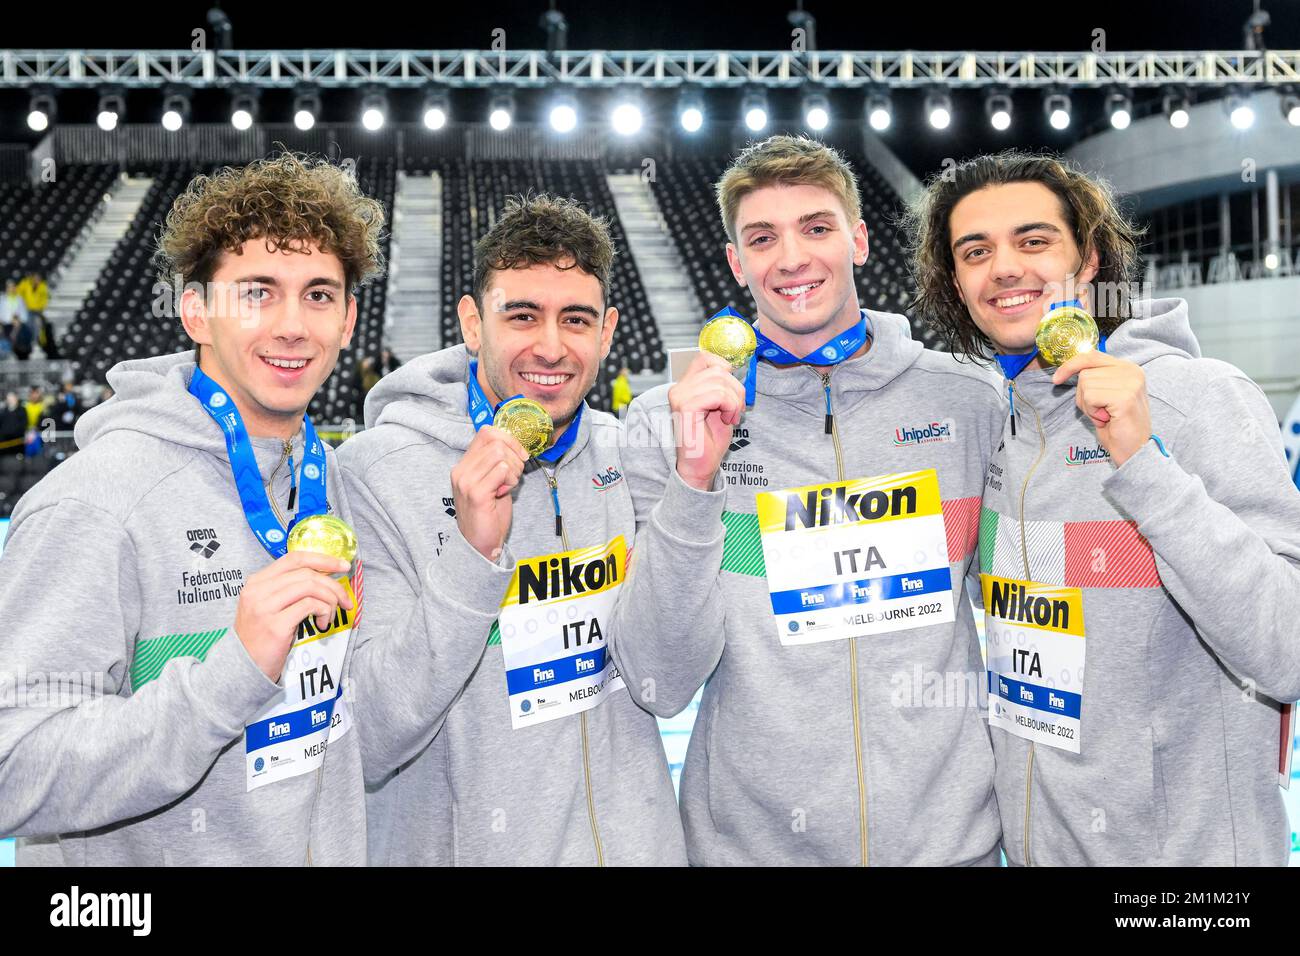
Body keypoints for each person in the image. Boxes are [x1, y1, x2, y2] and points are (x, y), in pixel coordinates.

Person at [612, 135, 1005, 865]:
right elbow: (658, 679)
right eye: (763, 238)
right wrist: (695, 481)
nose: (791, 258)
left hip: (948, 848)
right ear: (736, 262)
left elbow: (1029, 598)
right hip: (749, 850)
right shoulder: (664, 424)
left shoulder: (966, 400)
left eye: (816, 228)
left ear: (857, 240)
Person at [905, 150, 1300, 866]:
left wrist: (1144, 462)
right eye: (976, 251)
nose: (1005, 269)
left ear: (1088, 259)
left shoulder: (1199, 397)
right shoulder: (1003, 428)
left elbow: (1288, 648)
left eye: (1034, 240)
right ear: (957, 284)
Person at [0, 152, 385, 865]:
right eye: (258, 293)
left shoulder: (323, 475)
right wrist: (227, 677)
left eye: (319, 295)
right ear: (195, 311)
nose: (293, 325)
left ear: (349, 318)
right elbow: (13, 770)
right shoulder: (92, 504)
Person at [337, 193, 686, 866]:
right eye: (521, 315)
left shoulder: (625, 455)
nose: (550, 347)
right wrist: (472, 557)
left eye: (576, 319)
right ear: (473, 323)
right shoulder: (374, 472)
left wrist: (696, 490)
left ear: (608, 332)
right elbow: (370, 733)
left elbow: (667, 685)